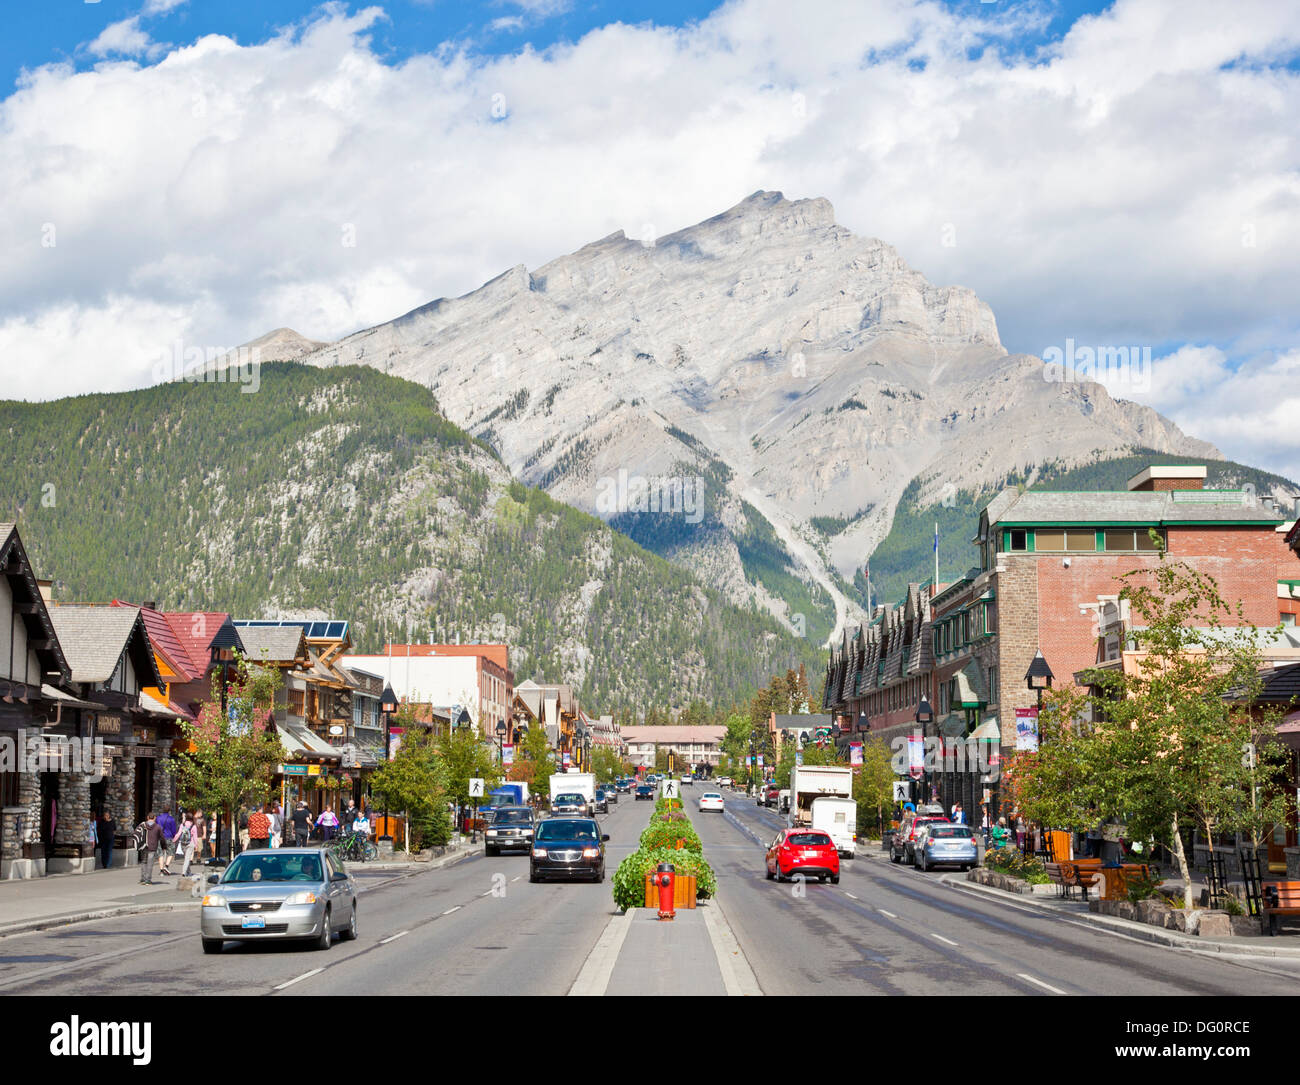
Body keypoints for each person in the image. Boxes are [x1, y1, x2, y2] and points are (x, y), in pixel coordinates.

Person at [139, 813, 164, 885]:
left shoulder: (142, 825)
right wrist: (164, 846)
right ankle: (148, 880)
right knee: (150, 863)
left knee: (144, 862)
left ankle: (143, 879)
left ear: (147, 817)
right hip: (152, 847)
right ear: (155, 818)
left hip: (143, 846)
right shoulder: (157, 827)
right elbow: (162, 837)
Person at [155, 807, 178, 876]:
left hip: (160, 837)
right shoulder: (171, 819)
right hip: (169, 837)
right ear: (169, 811)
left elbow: (156, 827)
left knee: (160, 854)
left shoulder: (158, 818)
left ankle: (161, 870)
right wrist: (174, 836)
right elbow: (173, 830)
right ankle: (166, 866)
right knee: (171, 853)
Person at [174, 810, 197, 876]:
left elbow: (179, 833)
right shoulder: (193, 826)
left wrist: (174, 840)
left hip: (183, 843)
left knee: (186, 858)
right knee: (187, 858)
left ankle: (188, 872)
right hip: (190, 843)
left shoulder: (182, 825)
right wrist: (196, 845)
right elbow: (195, 837)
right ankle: (184, 872)